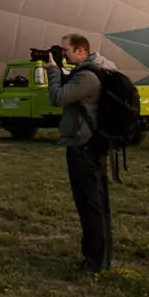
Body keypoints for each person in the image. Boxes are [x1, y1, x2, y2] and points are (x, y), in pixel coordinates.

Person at [47, 33, 115, 273]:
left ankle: (95, 260)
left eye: (66, 51)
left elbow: (57, 97)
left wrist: (53, 71)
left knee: (89, 204)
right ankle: (102, 256)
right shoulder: (98, 71)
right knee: (98, 202)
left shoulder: (87, 77)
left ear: (81, 52)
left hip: (84, 147)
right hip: (94, 144)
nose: (63, 54)